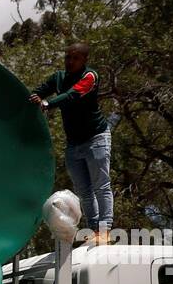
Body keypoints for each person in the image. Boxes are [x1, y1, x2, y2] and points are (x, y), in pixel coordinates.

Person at [30, 42, 112, 243]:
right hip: (74, 144)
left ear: (84, 60)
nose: (70, 62)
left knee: (101, 185)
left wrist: (47, 104)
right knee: (84, 190)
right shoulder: (59, 77)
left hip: (96, 139)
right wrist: (34, 97)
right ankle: (94, 231)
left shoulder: (90, 77)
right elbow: (40, 91)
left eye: (75, 58)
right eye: (68, 57)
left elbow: (72, 95)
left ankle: (106, 229)